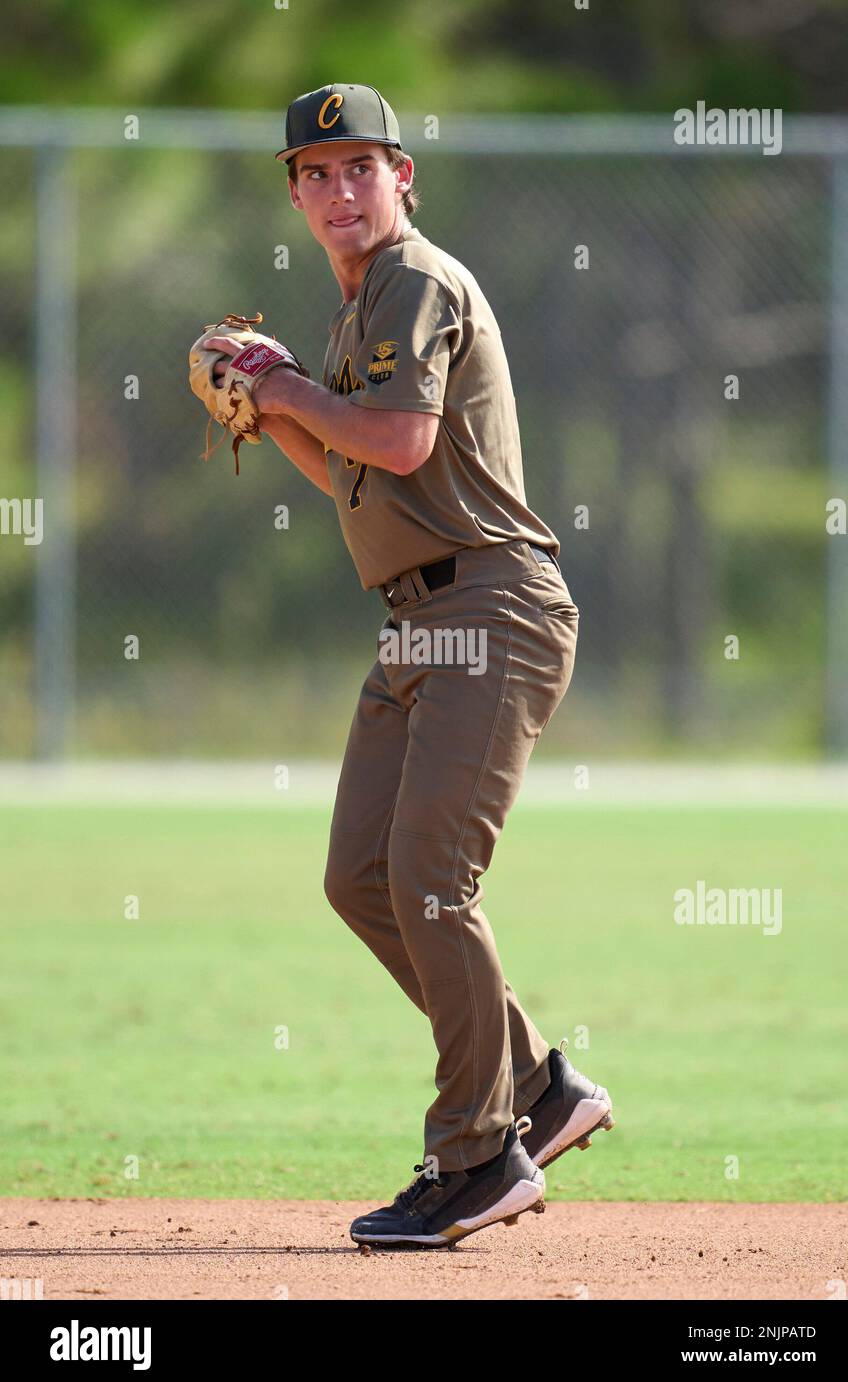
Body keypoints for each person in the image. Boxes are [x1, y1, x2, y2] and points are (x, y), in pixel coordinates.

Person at [203, 82, 613, 1249]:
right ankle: (539, 1086)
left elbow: (402, 437)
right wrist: (270, 404)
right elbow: (354, 475)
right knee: (362, 878)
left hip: (490, 606)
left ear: (402, 178)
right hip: (417, 620)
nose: (340, 189)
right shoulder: (353, 313)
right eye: (316, 172)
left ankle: (477, 1156)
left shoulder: (415, 277)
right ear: (294, 191)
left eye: (361, 166)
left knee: (432, 877)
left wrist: (281, 387)